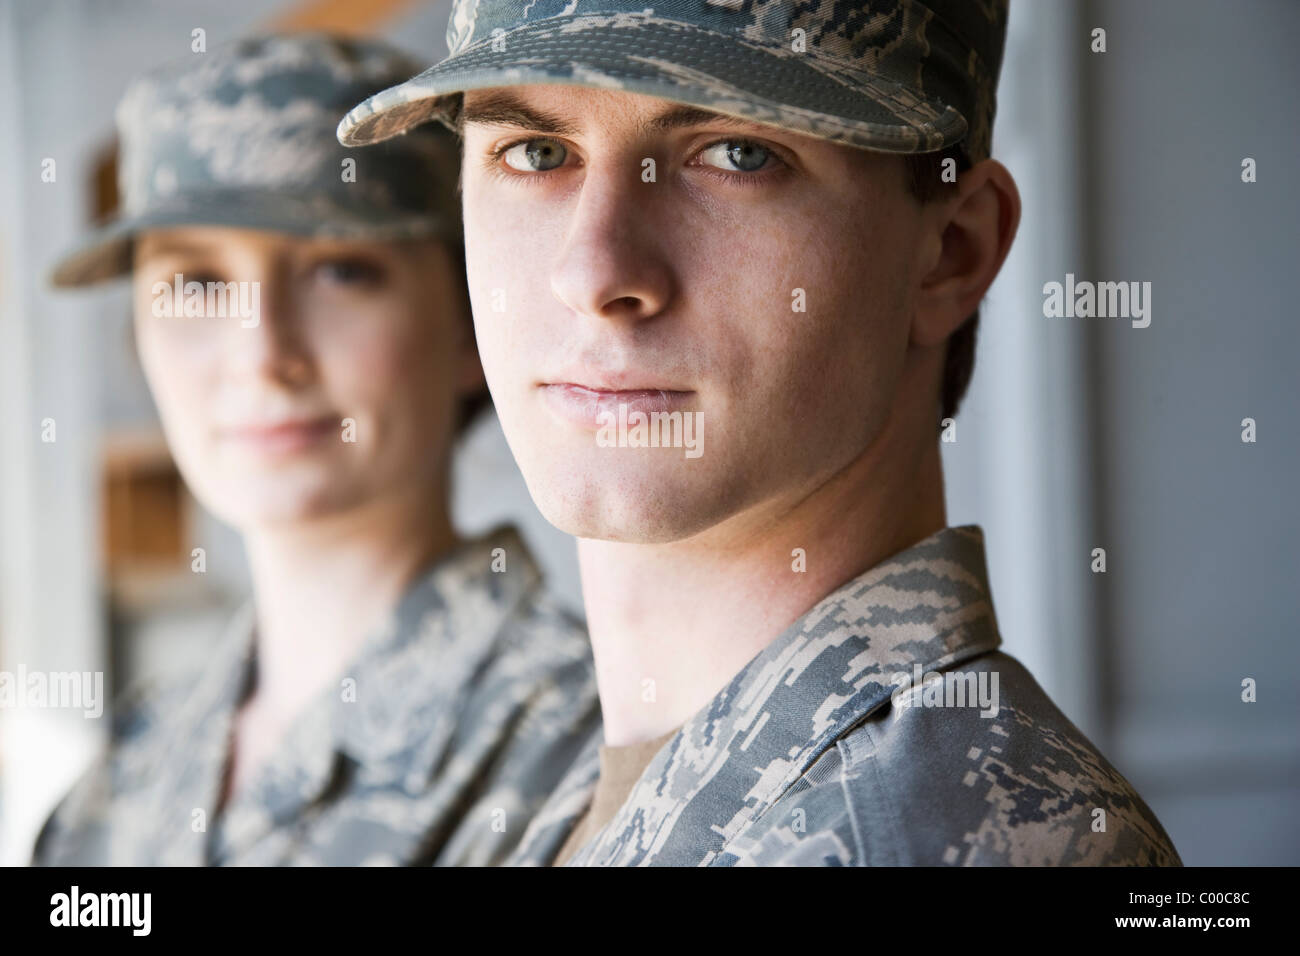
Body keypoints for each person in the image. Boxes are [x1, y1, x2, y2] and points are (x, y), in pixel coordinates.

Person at [336, 0, 1182, 866]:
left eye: (738, 154)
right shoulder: (560, 793)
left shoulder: (951, 838)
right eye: (537, 152)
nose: (595, 271)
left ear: (952, 250)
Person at [32, 32, 598, 866]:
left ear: (475, 326)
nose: (262, 352)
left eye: (341, 271)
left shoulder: (587, 753)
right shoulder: (117, 783)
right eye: (196, 283)